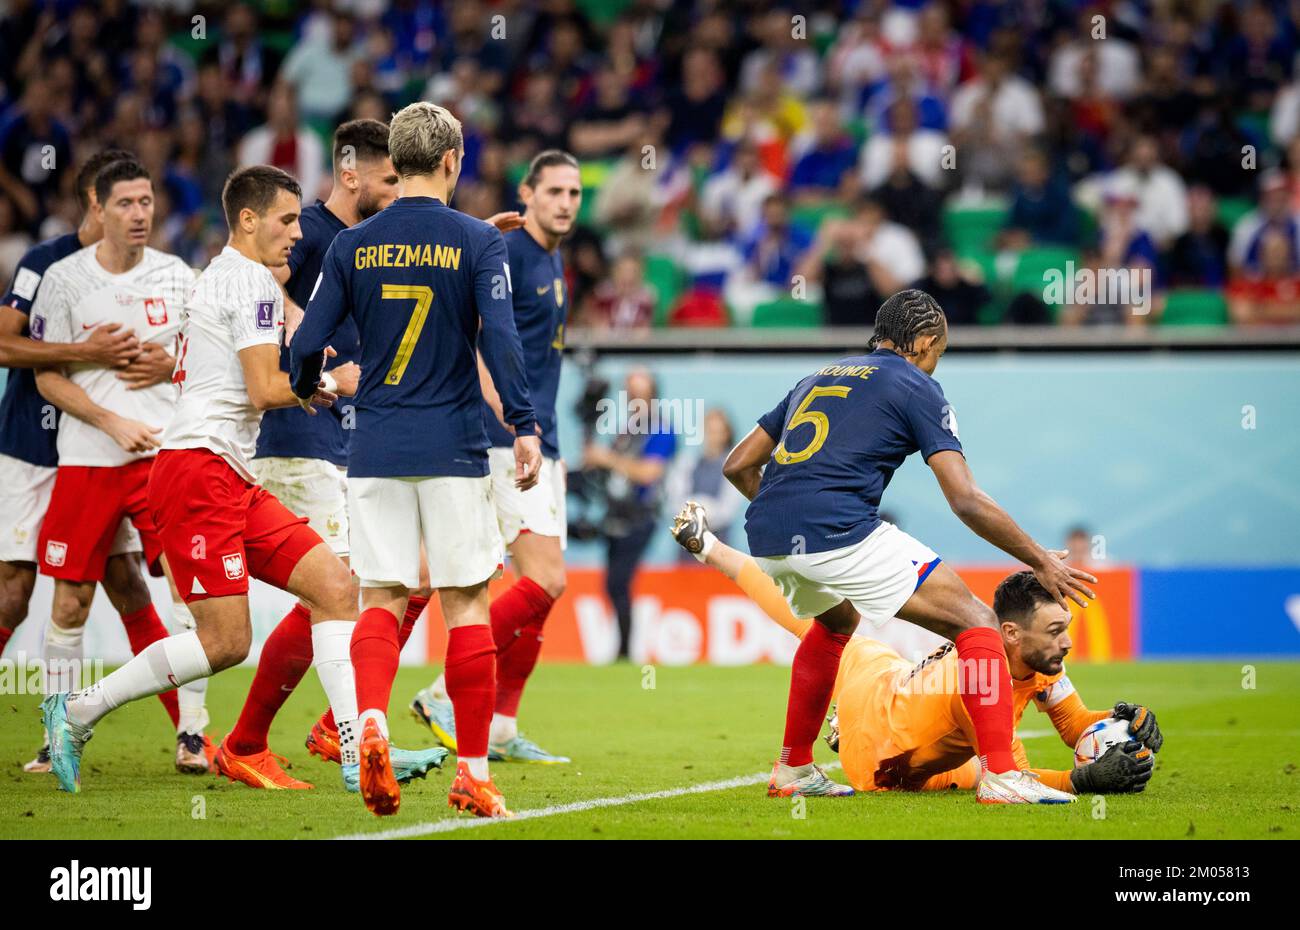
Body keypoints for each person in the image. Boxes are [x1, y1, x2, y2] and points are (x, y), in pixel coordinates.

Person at [38, 166, 371, 799]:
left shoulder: (219, 275)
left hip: (226, 474)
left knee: (334, 587)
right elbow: (262, 389)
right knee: (225, 643)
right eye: (287, 220)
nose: (298, 235)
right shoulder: (250, 283)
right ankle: (77, 710)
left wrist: (305, 375)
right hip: (197, 472)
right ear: (247, 219)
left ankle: (357, 750)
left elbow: (248, 379)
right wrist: (330, 383)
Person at [718, 288, 1096, 801]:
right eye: (940, 352)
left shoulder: (818, 376)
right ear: (923, 342)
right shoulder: (915, 385)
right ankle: (1003, 776)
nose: (937, 365)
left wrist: (790, 514)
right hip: (837, 528)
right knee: (978, 622)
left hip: (765, 531)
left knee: (835, 624)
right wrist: (1035, 559)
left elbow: (737, 465)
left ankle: (794, 769)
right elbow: (964, 499)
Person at [290, 102, 541, 818]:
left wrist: (308, 382)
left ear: (393, 165)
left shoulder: (352, 245)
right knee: (465, 603)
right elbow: (501, 340)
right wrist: (521, 422)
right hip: (455, 445)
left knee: (382, 594)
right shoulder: (477, 242)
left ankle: (367, 722)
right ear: (455, 161)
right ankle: (472, 771)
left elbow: (308, 339)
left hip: (373, 444)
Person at [218, 119, 439, 785]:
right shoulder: (308, 229)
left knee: (400, 579)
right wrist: (302, 339)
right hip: (293, 436)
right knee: (341, 586)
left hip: (335, 436)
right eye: (391, 180)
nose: (400, 193)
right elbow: (242, 270)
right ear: (351, 175)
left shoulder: (365, 242)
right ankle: (268, 739)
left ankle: (326, 729)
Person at [670, 510, 1159, 796]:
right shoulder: (977, 687)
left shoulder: (1040, 659)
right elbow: (1013, 779)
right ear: (1009, 634)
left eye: (1064, 629)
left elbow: (1075, 724)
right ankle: (714, 549)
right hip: (882, 758)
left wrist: (1124, 720)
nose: (1066, 643)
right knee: (967, 774)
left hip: (889, 678)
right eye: (1055, 631)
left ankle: (711, 547)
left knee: (821, 626)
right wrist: (1083, 781)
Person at [3, 151, 209, 775]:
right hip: (88, 459)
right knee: (70, 602)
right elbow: (46, 378)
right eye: (126, 202)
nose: (139, 213)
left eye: (147, 201)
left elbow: (204, 359)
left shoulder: (179, 276)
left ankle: (194, 735)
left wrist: (169, 365)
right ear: (98, 206)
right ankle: (57, 734)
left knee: (187, 595)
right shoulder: (62, 278)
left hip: (160, 459)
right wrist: (109, 419)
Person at [412, 149, 581, 765]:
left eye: (574, 193)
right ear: (528, 193)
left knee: (534, 592)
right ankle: (440, 694)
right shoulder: (506, 252)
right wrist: (513, 421)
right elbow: (476, 339)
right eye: (554, 190)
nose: (565, 202)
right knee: (545, 579)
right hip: (507, 437)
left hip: (543, 437)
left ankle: (504, 726)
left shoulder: (551, 260)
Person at [582, 368, 676, 661]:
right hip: (617, 515)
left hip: (640, 516)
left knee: (619, 582)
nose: (634, 400)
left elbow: (649, 473)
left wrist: (606, 459)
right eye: (631, 394)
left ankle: (624, 651)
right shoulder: (626, 432)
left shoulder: (661, 430)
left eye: (640, 394)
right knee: (614, 583)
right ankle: (622, 649)